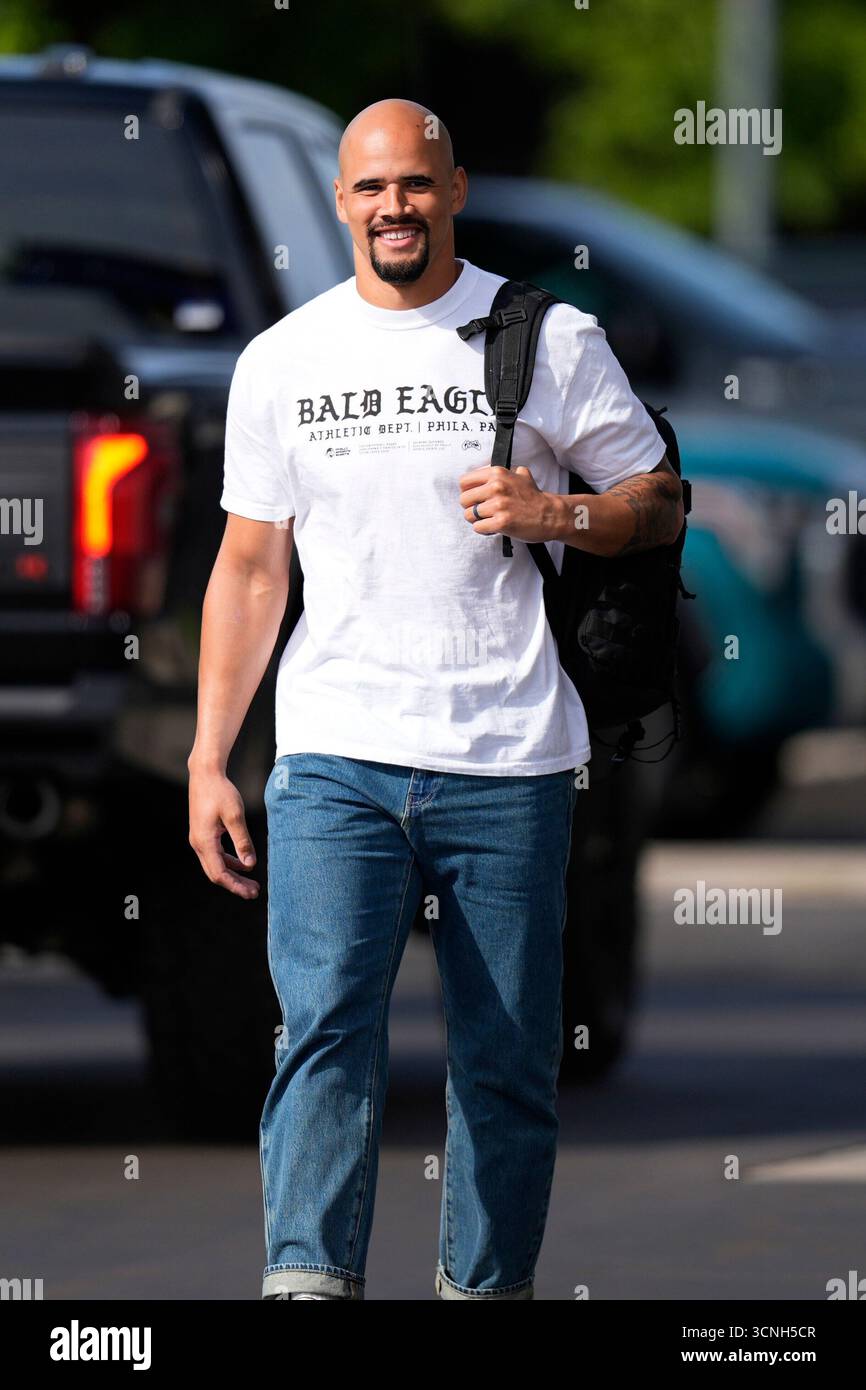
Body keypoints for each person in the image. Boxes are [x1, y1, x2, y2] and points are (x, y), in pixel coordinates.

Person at [187, 98, 683, 1301]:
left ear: (452, 189)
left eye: (414, 184)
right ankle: (307, 1281)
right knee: (321, 1039)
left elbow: (655, 499)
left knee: (506, 1062)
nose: (392, 208)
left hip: (509, 757)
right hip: (335, 757)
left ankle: (484, 1287)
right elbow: (252, 568)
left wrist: (554, 511)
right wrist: (210, 756)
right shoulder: (285, 360)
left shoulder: (546, 338)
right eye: (368, 189)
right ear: (341, 203)